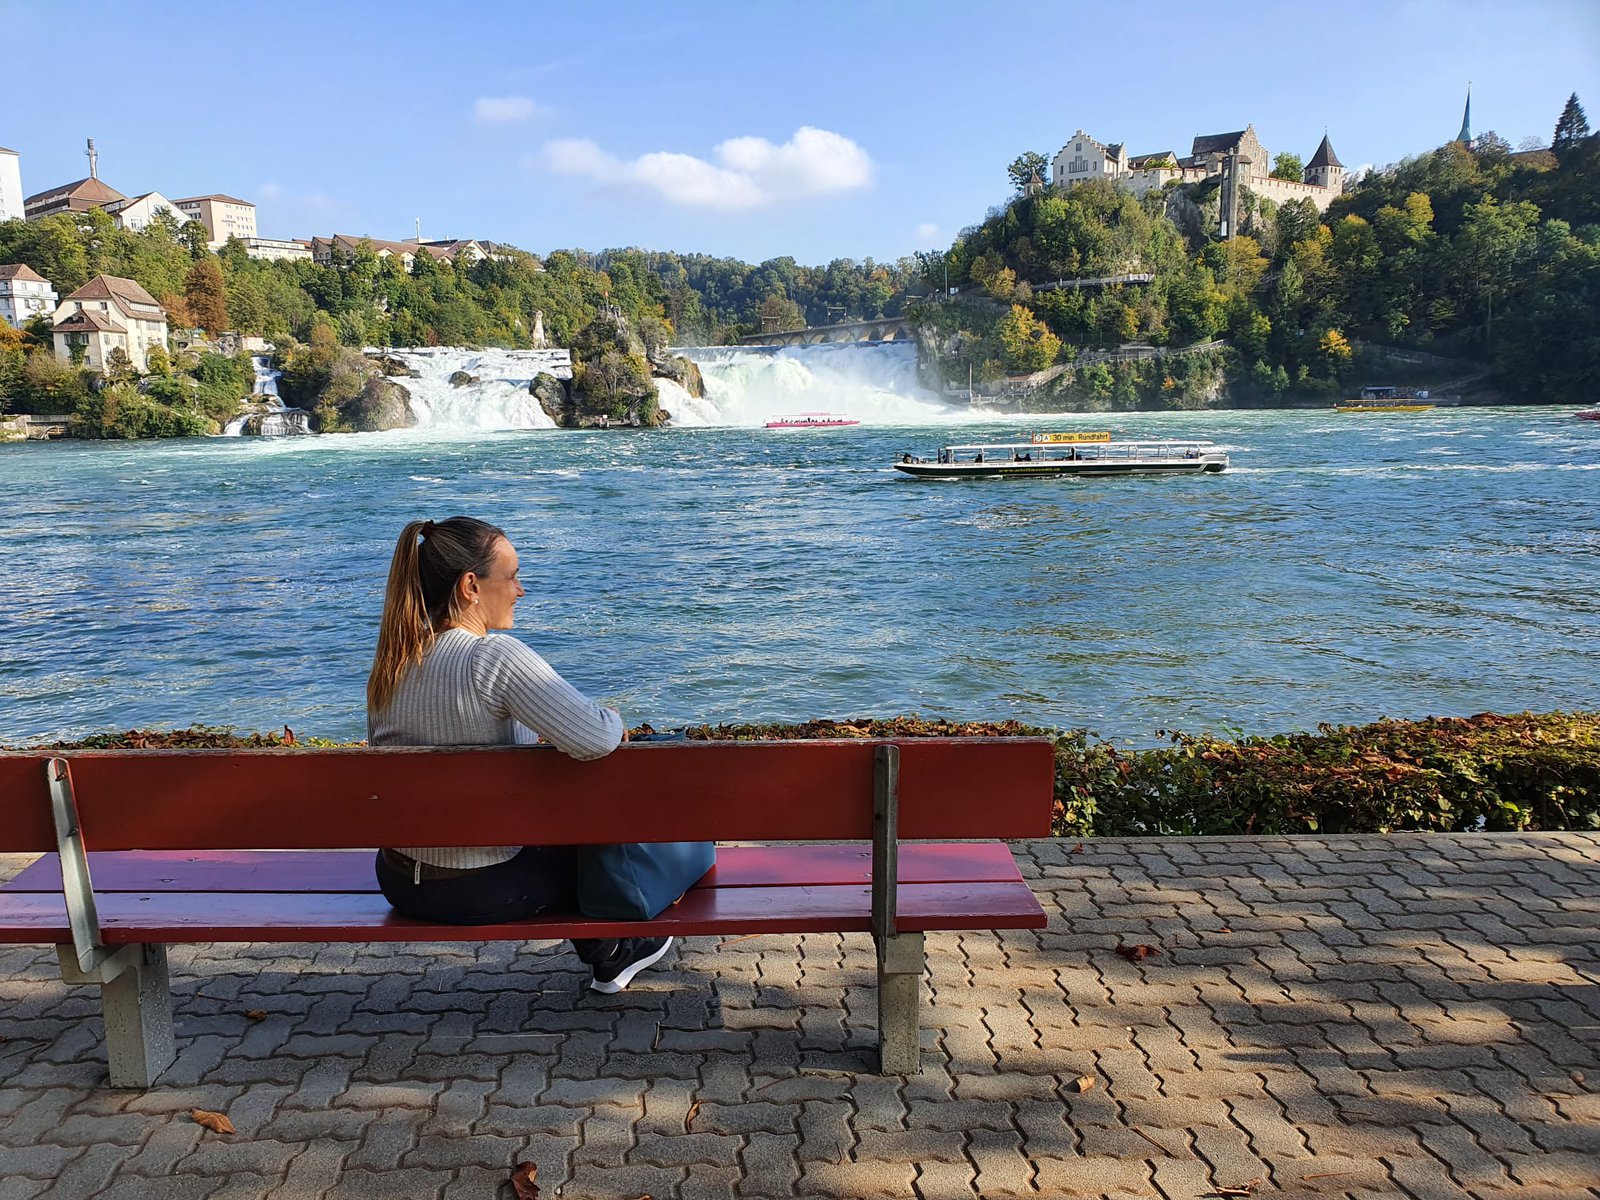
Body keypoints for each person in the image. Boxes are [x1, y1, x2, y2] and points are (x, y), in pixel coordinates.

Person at [366, 516, 672, 993]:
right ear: (471, 585)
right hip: (479, 891)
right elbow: (596, 737)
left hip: (400, 880)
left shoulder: (393, 663)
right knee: (594, 801)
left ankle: (608, 952)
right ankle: (614, 949)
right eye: (510, 577)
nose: (520, 590)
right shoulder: (493, 656)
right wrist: (613, 718)